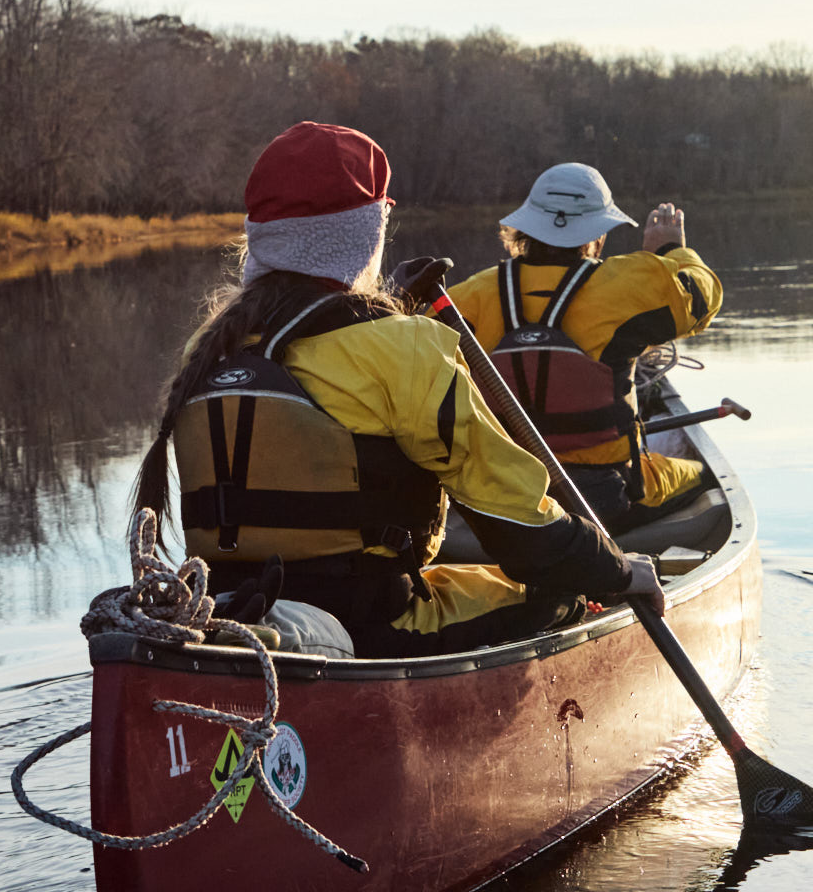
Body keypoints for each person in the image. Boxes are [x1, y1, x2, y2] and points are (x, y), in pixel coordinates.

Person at [132, 122, 657, 657]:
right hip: (376, 624)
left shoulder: (211, 345)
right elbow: (517, 523)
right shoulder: (407, 348)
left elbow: (328, 355)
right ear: (367, 236)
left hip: (227, 602)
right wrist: (613, 570)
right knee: (559, 588)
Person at [447, 162, 723, 532]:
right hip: (607, 499)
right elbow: (701, 298)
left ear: (525, 230)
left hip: (502, 496)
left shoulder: (468, 295)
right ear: (598, 233)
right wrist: (670, 251)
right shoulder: (626, 283)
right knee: (705, 475)